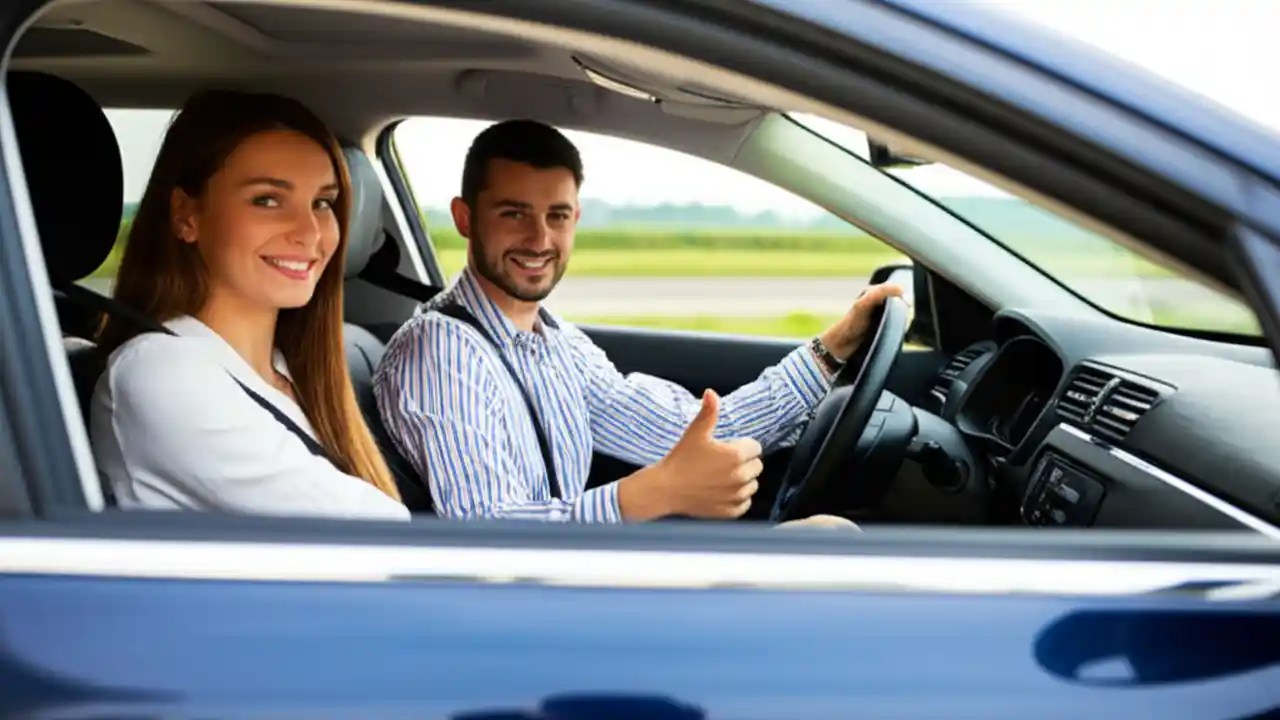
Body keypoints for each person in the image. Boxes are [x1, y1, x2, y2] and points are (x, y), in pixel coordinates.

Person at [374, 119, 902, 523]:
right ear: (466, 218)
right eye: (514, 214)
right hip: (538, 624)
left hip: (584, 581)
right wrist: (654, 493)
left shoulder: (552, 341)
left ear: (575, 219)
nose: (539, 240)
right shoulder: (440, 353)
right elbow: (488, 540)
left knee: (828, 538)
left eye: (556, 216)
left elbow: (691, 431)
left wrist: (835, 346)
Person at [91, 90, 408, 521]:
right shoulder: (158, 372)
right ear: (187, 215)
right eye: (268, 200)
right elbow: (376, 534)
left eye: (323, 203)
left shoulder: (298, 368)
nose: (310, 232)